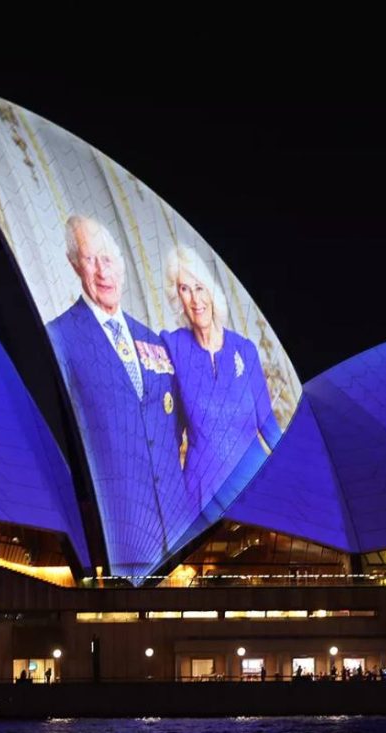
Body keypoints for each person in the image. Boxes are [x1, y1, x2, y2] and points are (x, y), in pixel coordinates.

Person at [46, 215, 190, 578]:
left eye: (108, 259)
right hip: (117, 536)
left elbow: (172, 429)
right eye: (90, 259)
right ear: (74, 264)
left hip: (178, 532)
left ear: (122, 265)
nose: (102, 271)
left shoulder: (152, 340)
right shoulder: (60, 338)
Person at [160, 245, 282, 517]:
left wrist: (299, 473)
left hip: (254, 489)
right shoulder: (172, 346)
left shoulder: (245, 350)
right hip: (202, 501)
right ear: (177, 297)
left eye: (199, 287)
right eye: (184, 289)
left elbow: (269, 427)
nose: (195, 299)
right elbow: (169, 433)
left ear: (211, 290)